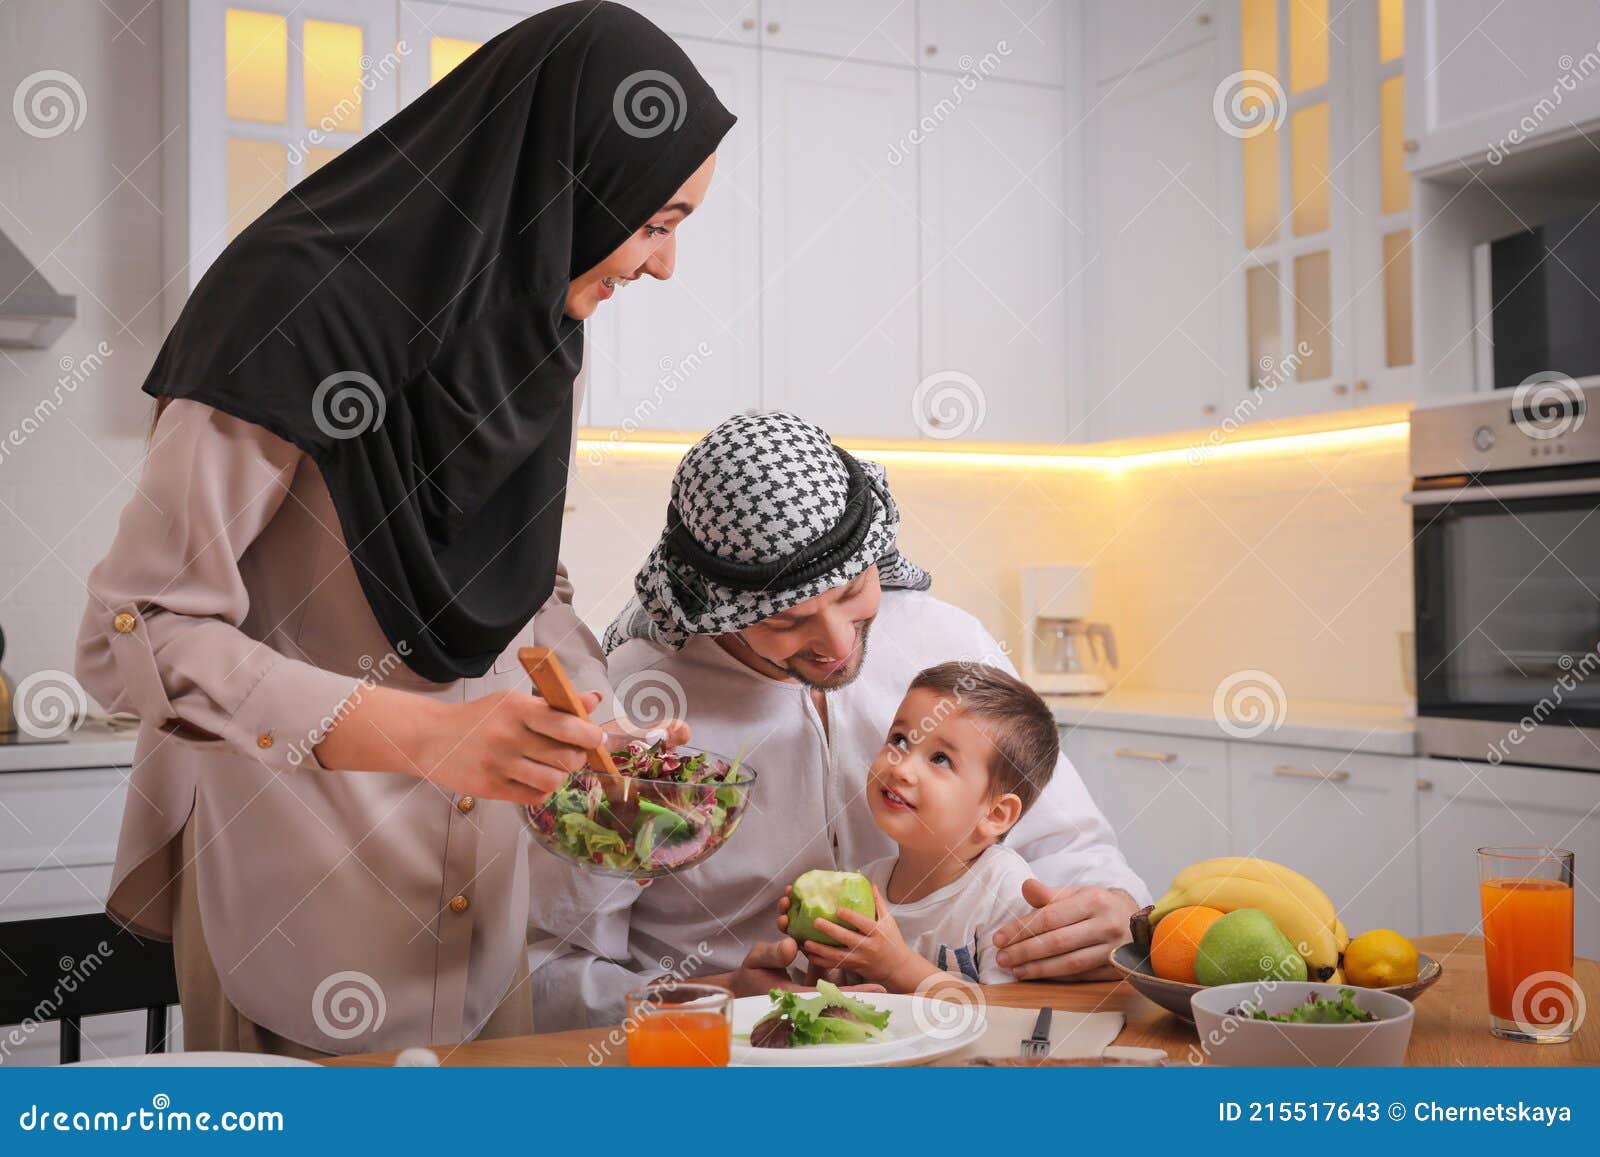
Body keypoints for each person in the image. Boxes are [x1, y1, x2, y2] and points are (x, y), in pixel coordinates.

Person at [74, 2, 732, 1057]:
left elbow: (527, 591)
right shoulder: (288, 307)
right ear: (556, 182)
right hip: (296, 892)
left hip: (479, 919)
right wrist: (429, 738)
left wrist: (598, 728)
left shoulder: (530, 322)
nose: (661, 266)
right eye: (654, 223)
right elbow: (135, 630)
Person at [528, 411, 1148, 1029]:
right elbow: (554, 970)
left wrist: (1115, 908)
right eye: (785, 620)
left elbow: (1068, 846)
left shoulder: (948, 641)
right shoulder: (631, 707)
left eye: (852, 592)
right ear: (715, 608)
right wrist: (722, 995)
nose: (837, 644)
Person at [775, 661, 1060, 990]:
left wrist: (895, 966)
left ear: (995, 814)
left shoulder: (1004, 889)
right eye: (899, 740)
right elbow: (838, 1000)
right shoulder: (867, 885)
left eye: (940, 759)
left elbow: (1006, 1015)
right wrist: (823, 957)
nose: (901, 768)